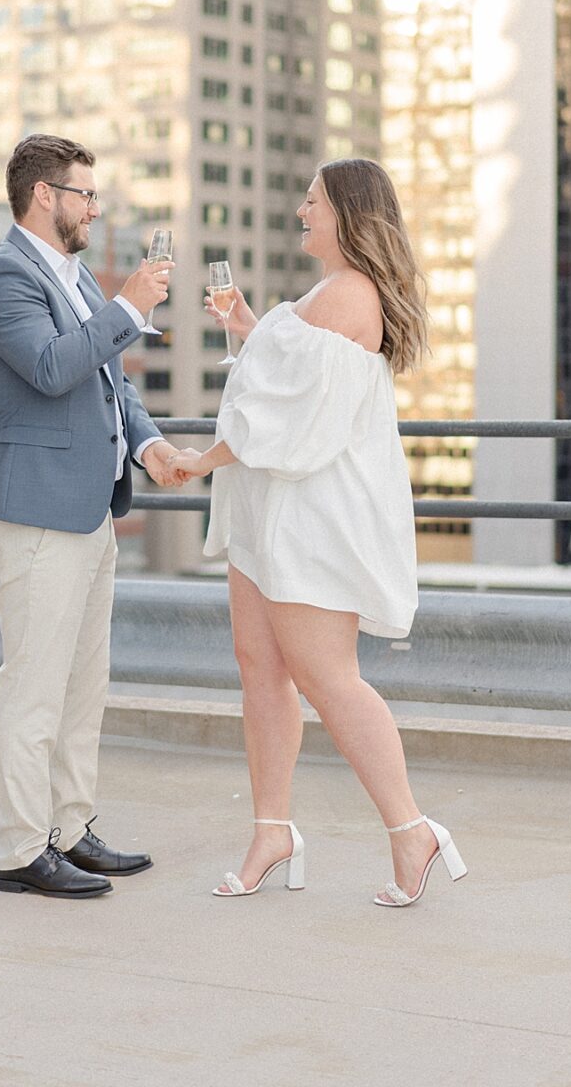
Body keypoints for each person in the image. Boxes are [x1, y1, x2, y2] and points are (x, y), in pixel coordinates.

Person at [172, 159, 468, 908]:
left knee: (327, 676)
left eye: (312, 201)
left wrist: (200, 460)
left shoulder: (349, 293)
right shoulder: (327, 290)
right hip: (271, 513)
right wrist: (248, 326)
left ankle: (411, 830)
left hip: (312, 518)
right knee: (260, 667)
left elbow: (289, 416)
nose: (301, 211)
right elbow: (289, 374)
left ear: (347, 212)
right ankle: (271, 832)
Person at [0, 134, 185, 899]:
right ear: (44, 196)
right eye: (84, 194)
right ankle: (22, 852)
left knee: (82, 687)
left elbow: (111, 384)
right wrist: (128, 306)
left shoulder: (76, 274)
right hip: (35, 511)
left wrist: (150, 446)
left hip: (90, 510)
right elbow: (53, 369)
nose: (95, 208)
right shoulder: (3, 277)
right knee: (33, 689)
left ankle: (69, 829)